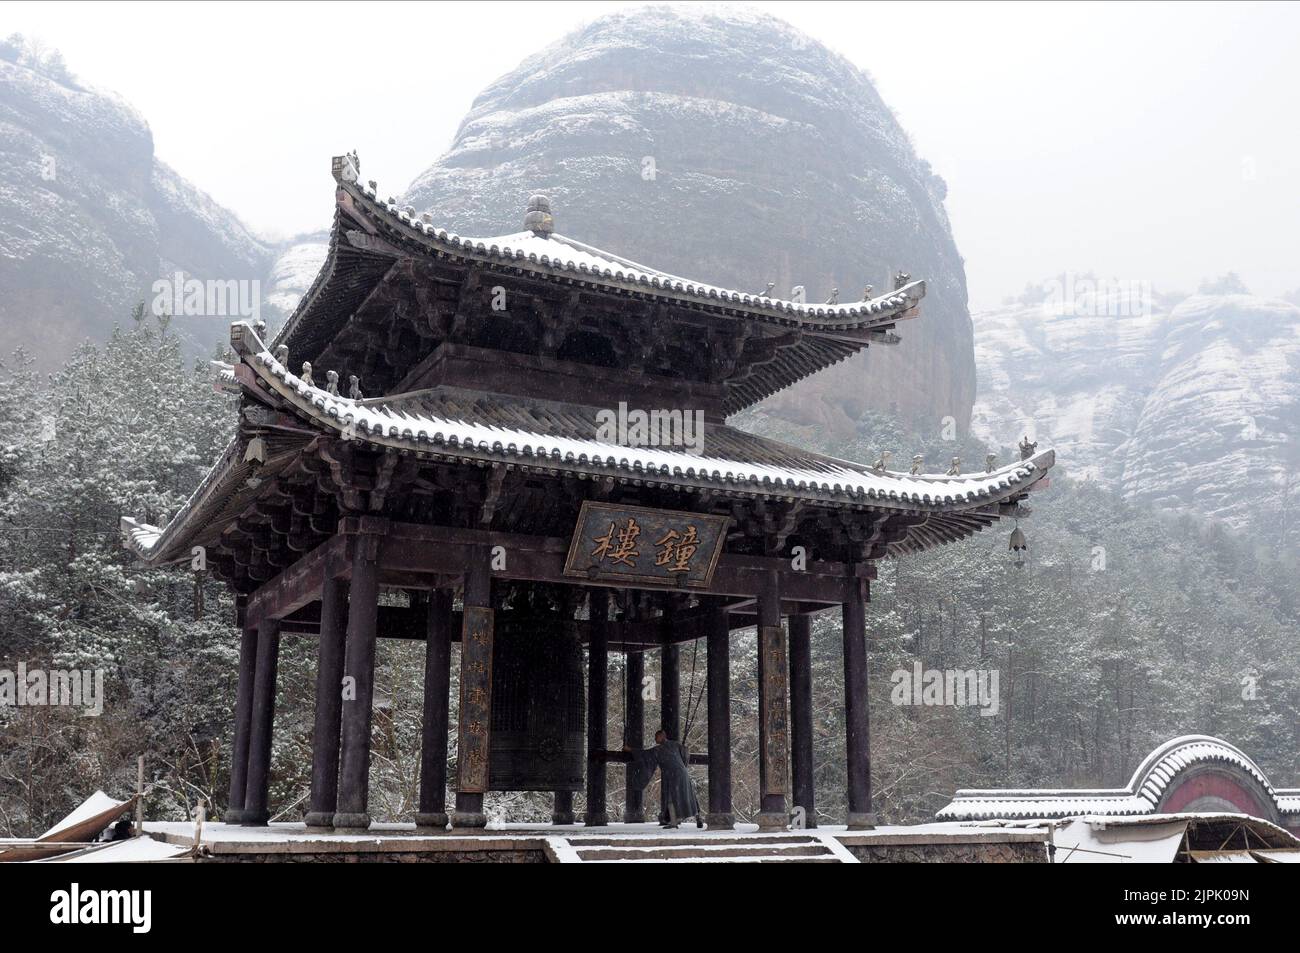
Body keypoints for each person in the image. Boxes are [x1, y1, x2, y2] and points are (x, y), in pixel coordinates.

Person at [624, 730, 703, 829]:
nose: (655, 739)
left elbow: (644, 754)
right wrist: (683, 765)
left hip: (672, 775)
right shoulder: (676, 744)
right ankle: (699, 818)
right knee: (689, 795)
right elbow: (686, 752)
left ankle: (674, 822)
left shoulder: (658, 750)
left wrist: (630, 749)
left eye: (656, 737)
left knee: (671, 798)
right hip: (683, 773)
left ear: (662, 737)